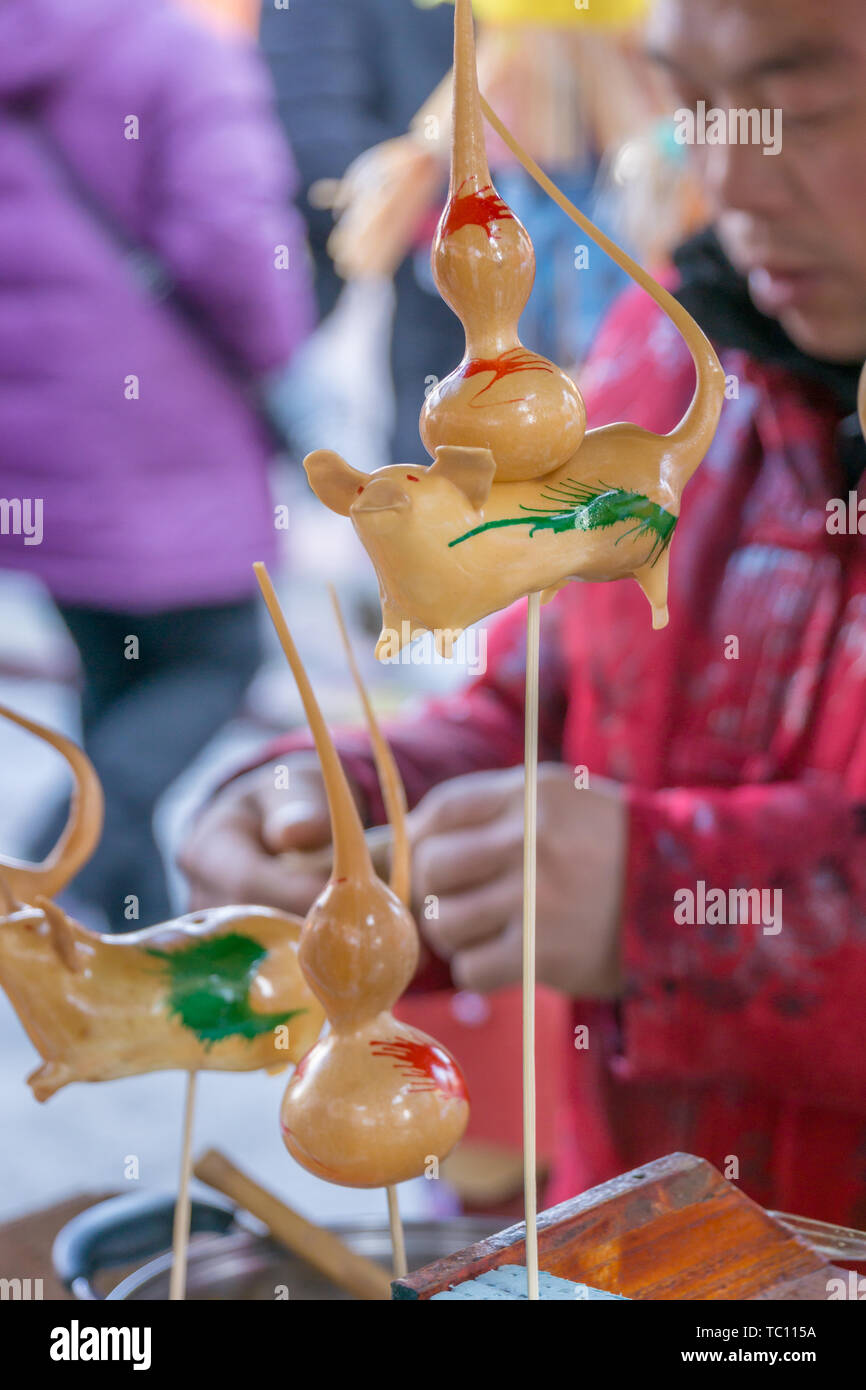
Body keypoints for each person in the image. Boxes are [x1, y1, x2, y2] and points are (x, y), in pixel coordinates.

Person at [180, 0, 866, 1226]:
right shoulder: (669, 360)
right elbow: (549, 697)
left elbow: (641, 862)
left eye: (797, 97)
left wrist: (672, 903)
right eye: (691, 105)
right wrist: (350, 804)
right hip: (651, 1227)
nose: (726, 174)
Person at [0, 0, 313, 930]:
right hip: (162, 408)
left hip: (37, 419)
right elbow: (233, 242)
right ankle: (64, 847)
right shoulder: (173, 50)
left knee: (117, 670)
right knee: (220, 656)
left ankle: (122, 918)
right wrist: (278, 353)